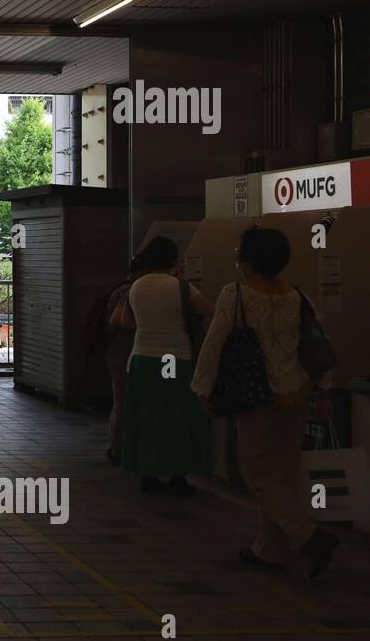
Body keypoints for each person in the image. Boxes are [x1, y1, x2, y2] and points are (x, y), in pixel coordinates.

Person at [191, 228, 339, 577]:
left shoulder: (235, 294)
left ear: (249, 259)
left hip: (258, 395)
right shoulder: (297, 295)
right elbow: (318, 343)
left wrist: (202, 386)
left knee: (257, 474)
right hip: (297, 394)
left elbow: (215, 343)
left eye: (240, 251)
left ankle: (309, 534)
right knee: (284, 476)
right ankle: (271, 550)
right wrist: (326, 389)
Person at [117, 236, 214, 494]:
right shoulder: (181, 287)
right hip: (176, 358)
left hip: (141, 359)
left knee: (148, 417)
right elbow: (210, 309)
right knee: (178, 418)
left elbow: (126, 323)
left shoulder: (135, 287)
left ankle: (147, 474)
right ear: (173, 259)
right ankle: (177, 476)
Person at [102, 256, 149, 465]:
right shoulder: (132, 290)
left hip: (116, 351)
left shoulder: (120, 289)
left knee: (120, 401)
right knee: (124, 401)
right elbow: (118, 321)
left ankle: (116, 446)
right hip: (124, 351)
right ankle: (119, 448)